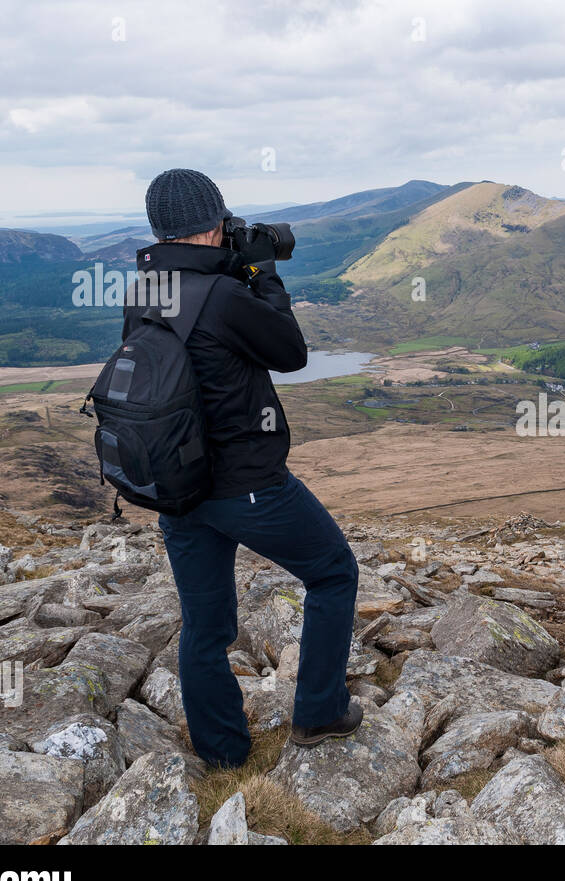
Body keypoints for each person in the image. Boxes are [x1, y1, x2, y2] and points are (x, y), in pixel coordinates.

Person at [125, 168, 361, 769]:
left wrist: (233, 269)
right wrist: (263, 272)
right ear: (212, 225)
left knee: (205, 626)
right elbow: (289, 351)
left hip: (178, 489)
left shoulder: (146, 291)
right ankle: (319, 713)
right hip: (247, 486)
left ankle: (223, 755)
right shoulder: (225, 295)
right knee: (333, 573)